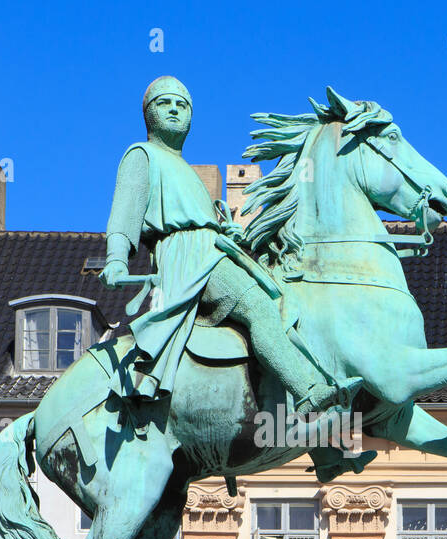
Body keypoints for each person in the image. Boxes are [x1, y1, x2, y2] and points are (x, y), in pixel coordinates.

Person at [100, 76, 348, 413]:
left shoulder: (187, 170)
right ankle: (306, 392)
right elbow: (124, 211)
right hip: (187, 257)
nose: (174, 109)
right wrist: (116, 259)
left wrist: (226, 232)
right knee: (260, 307)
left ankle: (311, 430)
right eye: (165, 103)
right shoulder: (141, 155)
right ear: (148, 114)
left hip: (213, 251)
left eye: (182, 105)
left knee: (285, 299)